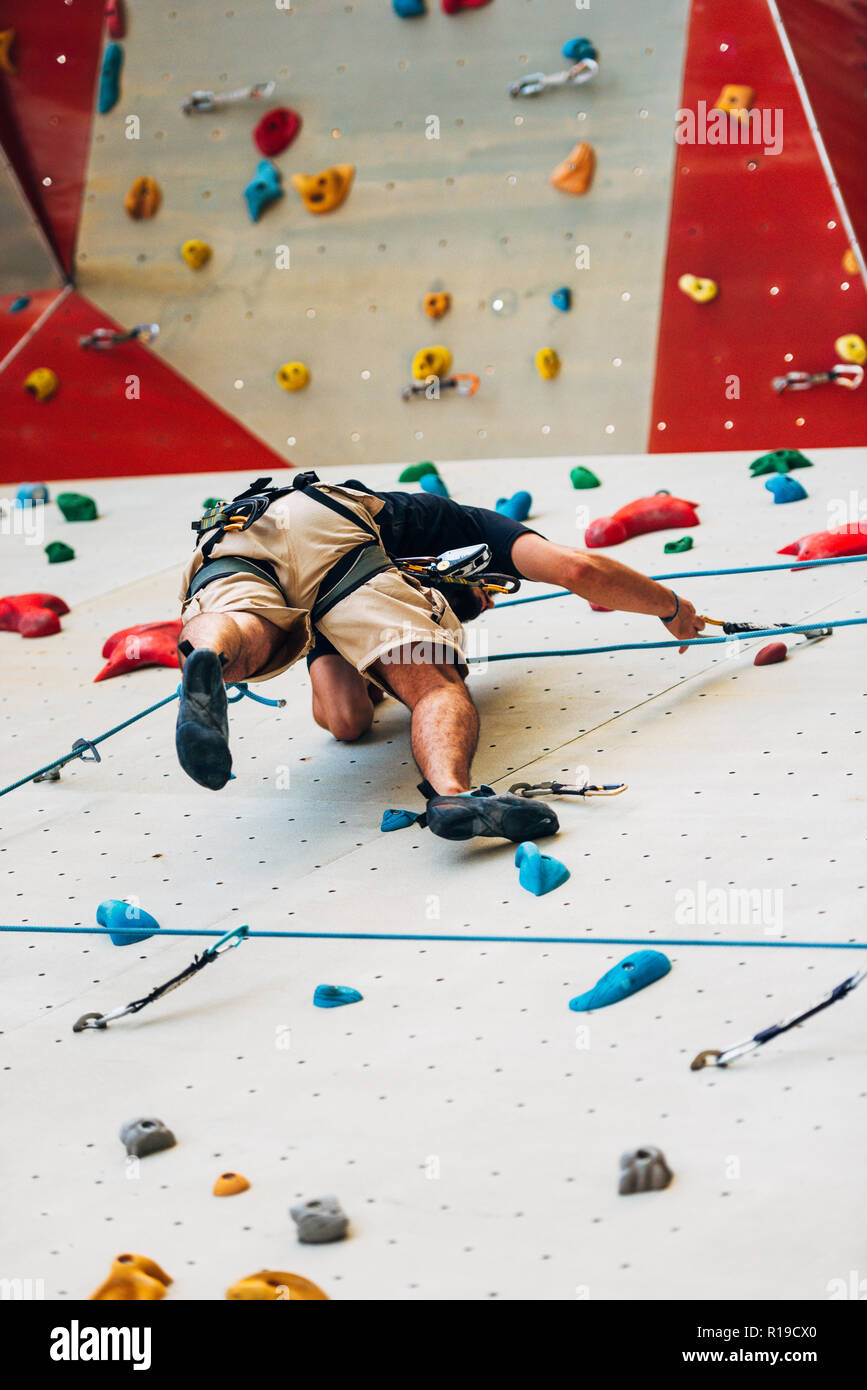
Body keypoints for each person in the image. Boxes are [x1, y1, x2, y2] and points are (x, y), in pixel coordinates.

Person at [174, 474, 704, 843]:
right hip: (341, 540)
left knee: (255, 648)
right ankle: (452, 795)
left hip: (237, 528)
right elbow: (578, 570)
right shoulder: (468, 527)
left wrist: (356, 661)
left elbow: (342, 718)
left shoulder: (355, 590)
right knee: (433, 687)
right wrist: (673, 607)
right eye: (486, 594)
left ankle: (206, 660)